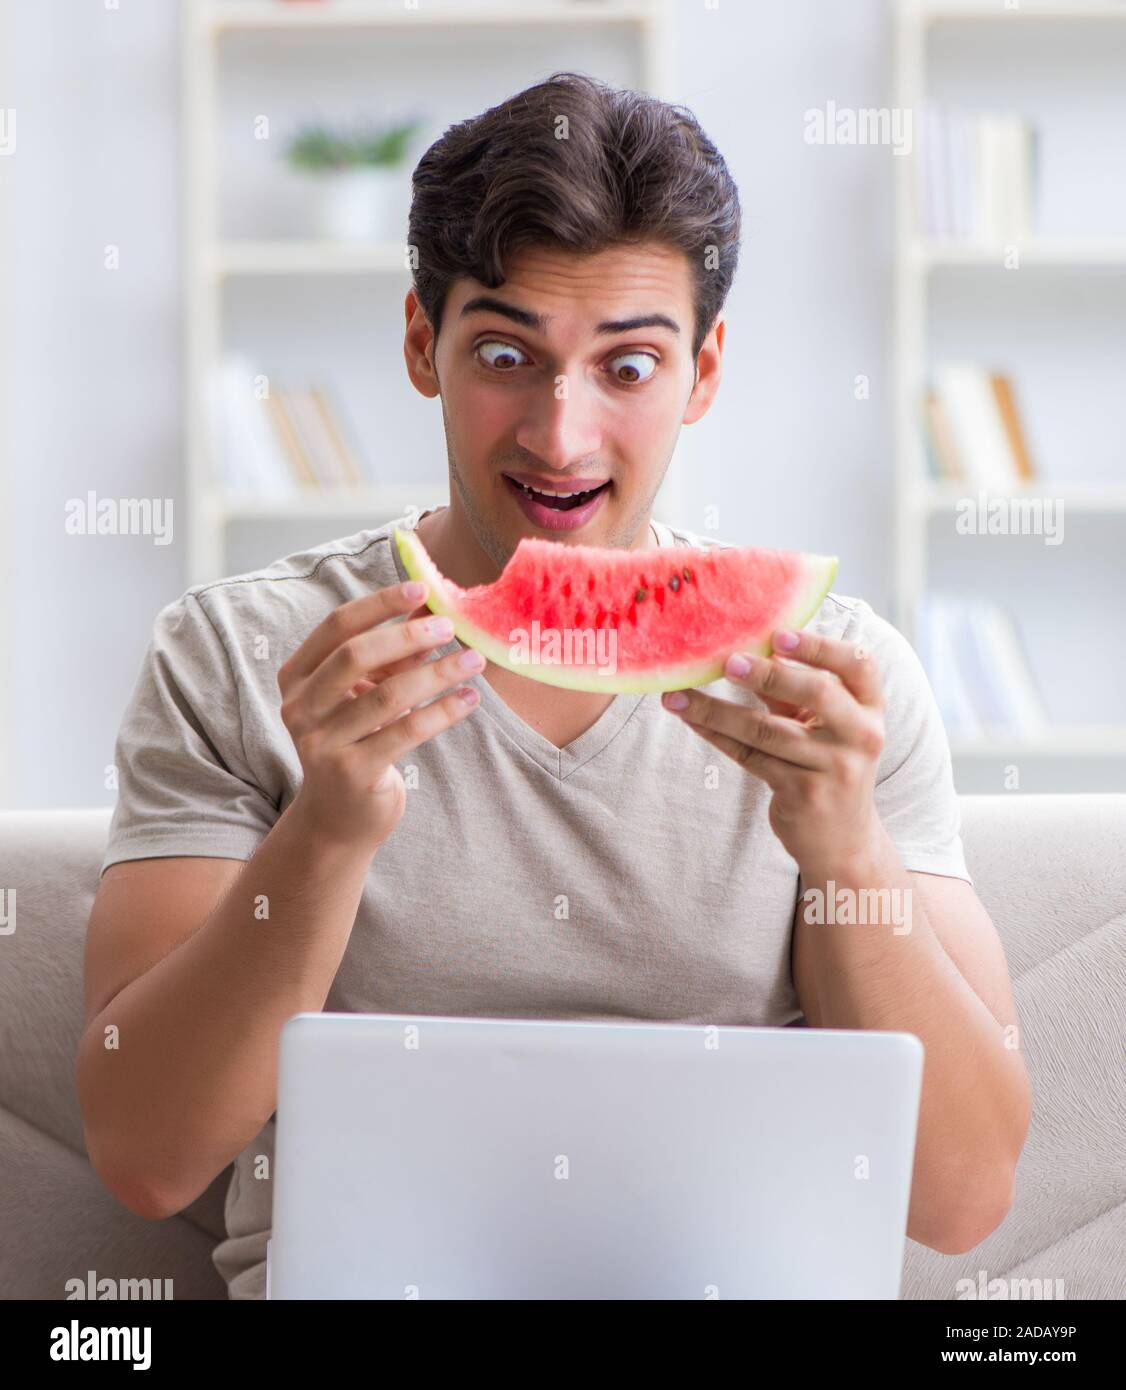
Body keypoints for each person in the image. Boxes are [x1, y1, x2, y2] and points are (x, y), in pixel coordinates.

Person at [77, 73, 1030, 1300]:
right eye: (505, 354)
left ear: (703, 372)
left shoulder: (832, 686)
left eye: (626, 368)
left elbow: (958, 1198)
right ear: (423, 346)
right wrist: (325, 831)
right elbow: (145, 1157)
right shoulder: (238, 655)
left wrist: (845, 849)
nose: (560, 433)